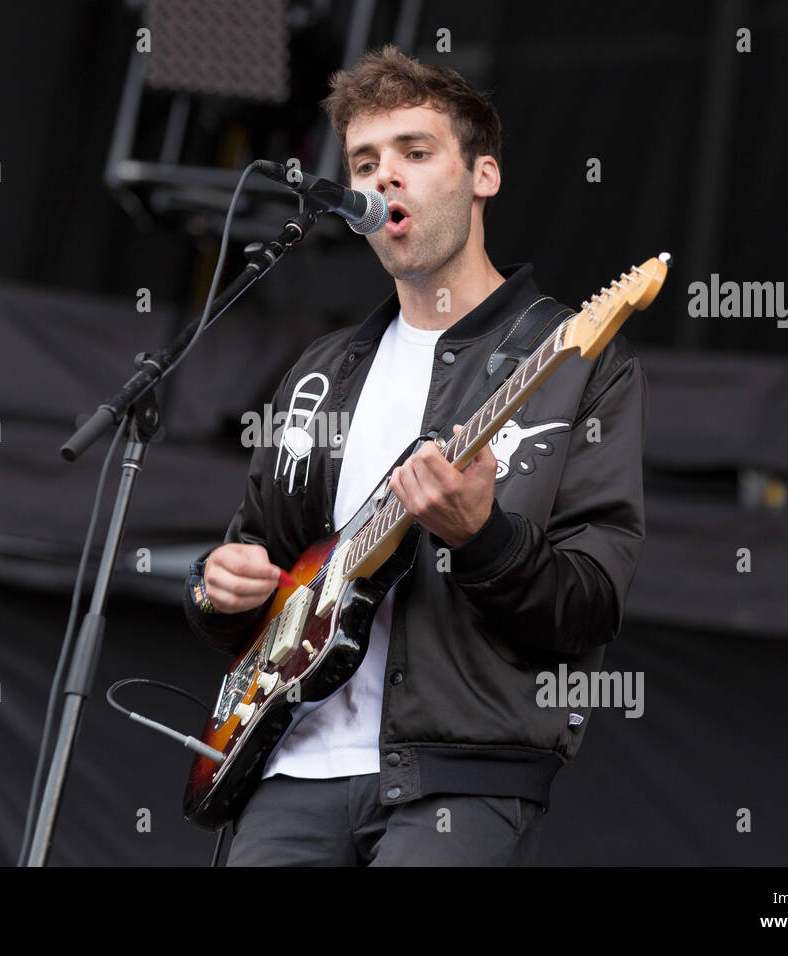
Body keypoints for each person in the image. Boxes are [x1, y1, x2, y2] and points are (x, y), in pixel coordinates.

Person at [182, 44, 647, 866]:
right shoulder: (320, 374)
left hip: (458, 780)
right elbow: (254, 563)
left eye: (416, 152)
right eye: (365, 161)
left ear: (483, 177)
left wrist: (484, 538)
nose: (384, 176)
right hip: (287, 767)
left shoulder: (574, 359)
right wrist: (218, 589)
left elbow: (591, 605)